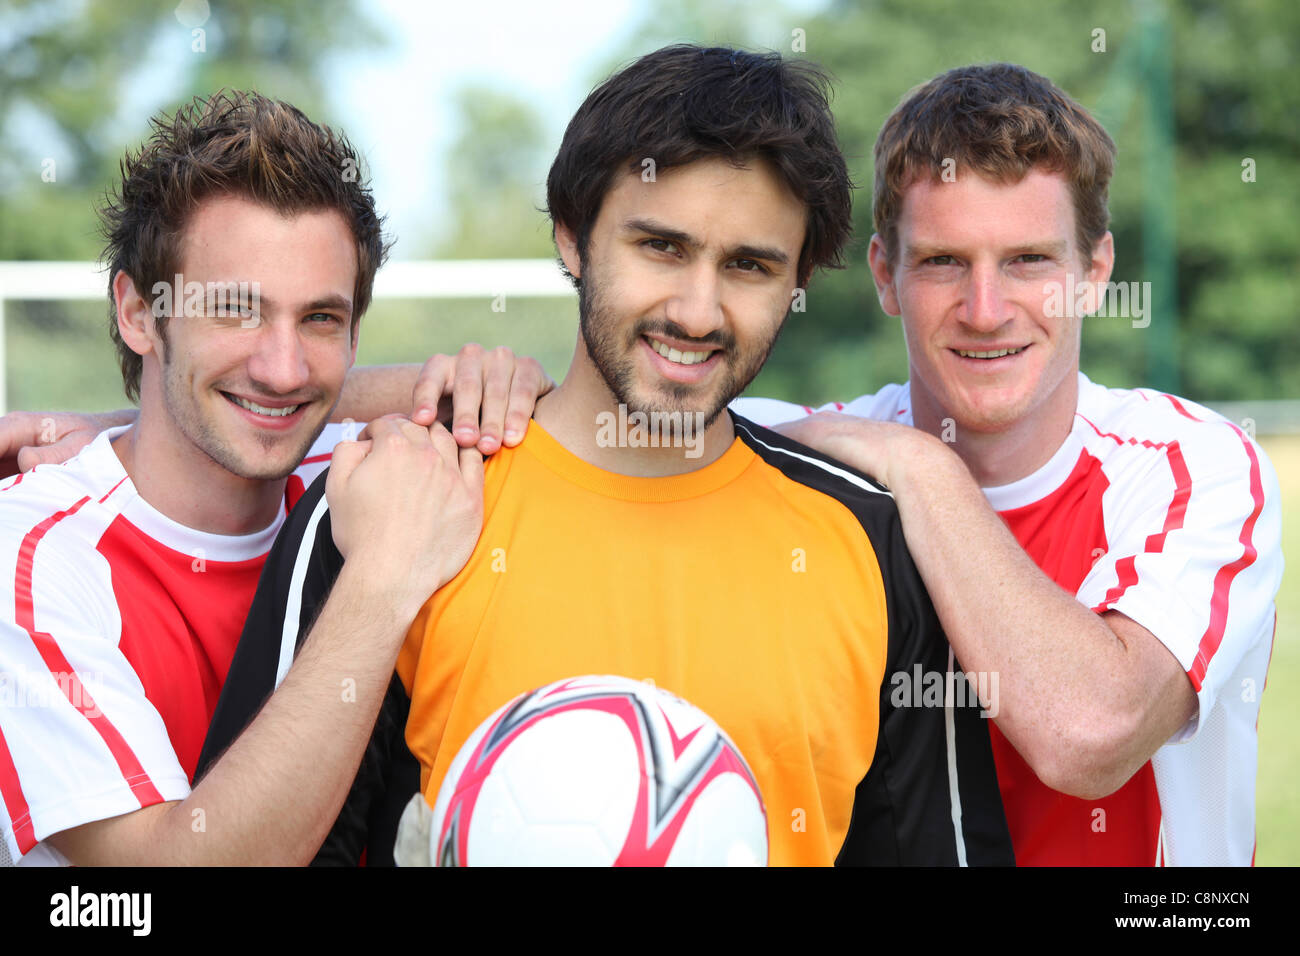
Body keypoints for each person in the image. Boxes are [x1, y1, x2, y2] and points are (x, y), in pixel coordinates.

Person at [200, 45, 1015, 866]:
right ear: (573, 238)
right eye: (660, 247)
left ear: (798, 279)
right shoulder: (392, 501)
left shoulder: (874, 542)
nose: (698, 311)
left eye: (749, 266)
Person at [735, 63, 1283, 866]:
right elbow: (597, 429)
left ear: (1093, 274)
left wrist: (925, 473)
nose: (986, 311)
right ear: (886, 276)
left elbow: (1091, 735)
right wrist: (489, 387)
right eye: (943, 263)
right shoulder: (801, 453)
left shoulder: (1192, 465)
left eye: (1028, 260)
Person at [0, 90, 549, 866]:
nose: (283, 367)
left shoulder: (368, 470)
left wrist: (500, 381)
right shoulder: (29, 556)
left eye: (320, 319)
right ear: (135, 313)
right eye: (234, 310)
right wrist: (384, 582)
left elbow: (731, 430)